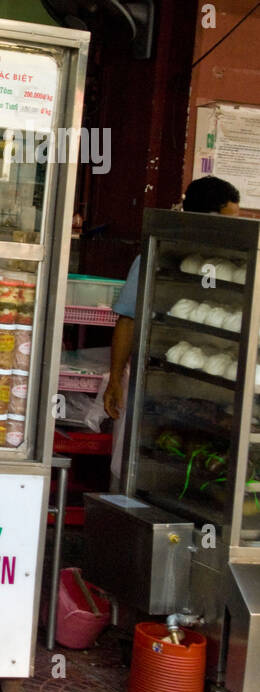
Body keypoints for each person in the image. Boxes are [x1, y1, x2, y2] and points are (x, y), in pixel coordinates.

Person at [103, 176, 241, 479]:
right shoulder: (157, 255)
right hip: (157, 382)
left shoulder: (237, 263)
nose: (235, 229)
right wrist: (115, 378)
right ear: (207, 218)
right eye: (229, 219)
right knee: (135, 465)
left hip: (214, 388)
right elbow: (128, 319)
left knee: (197, 462)